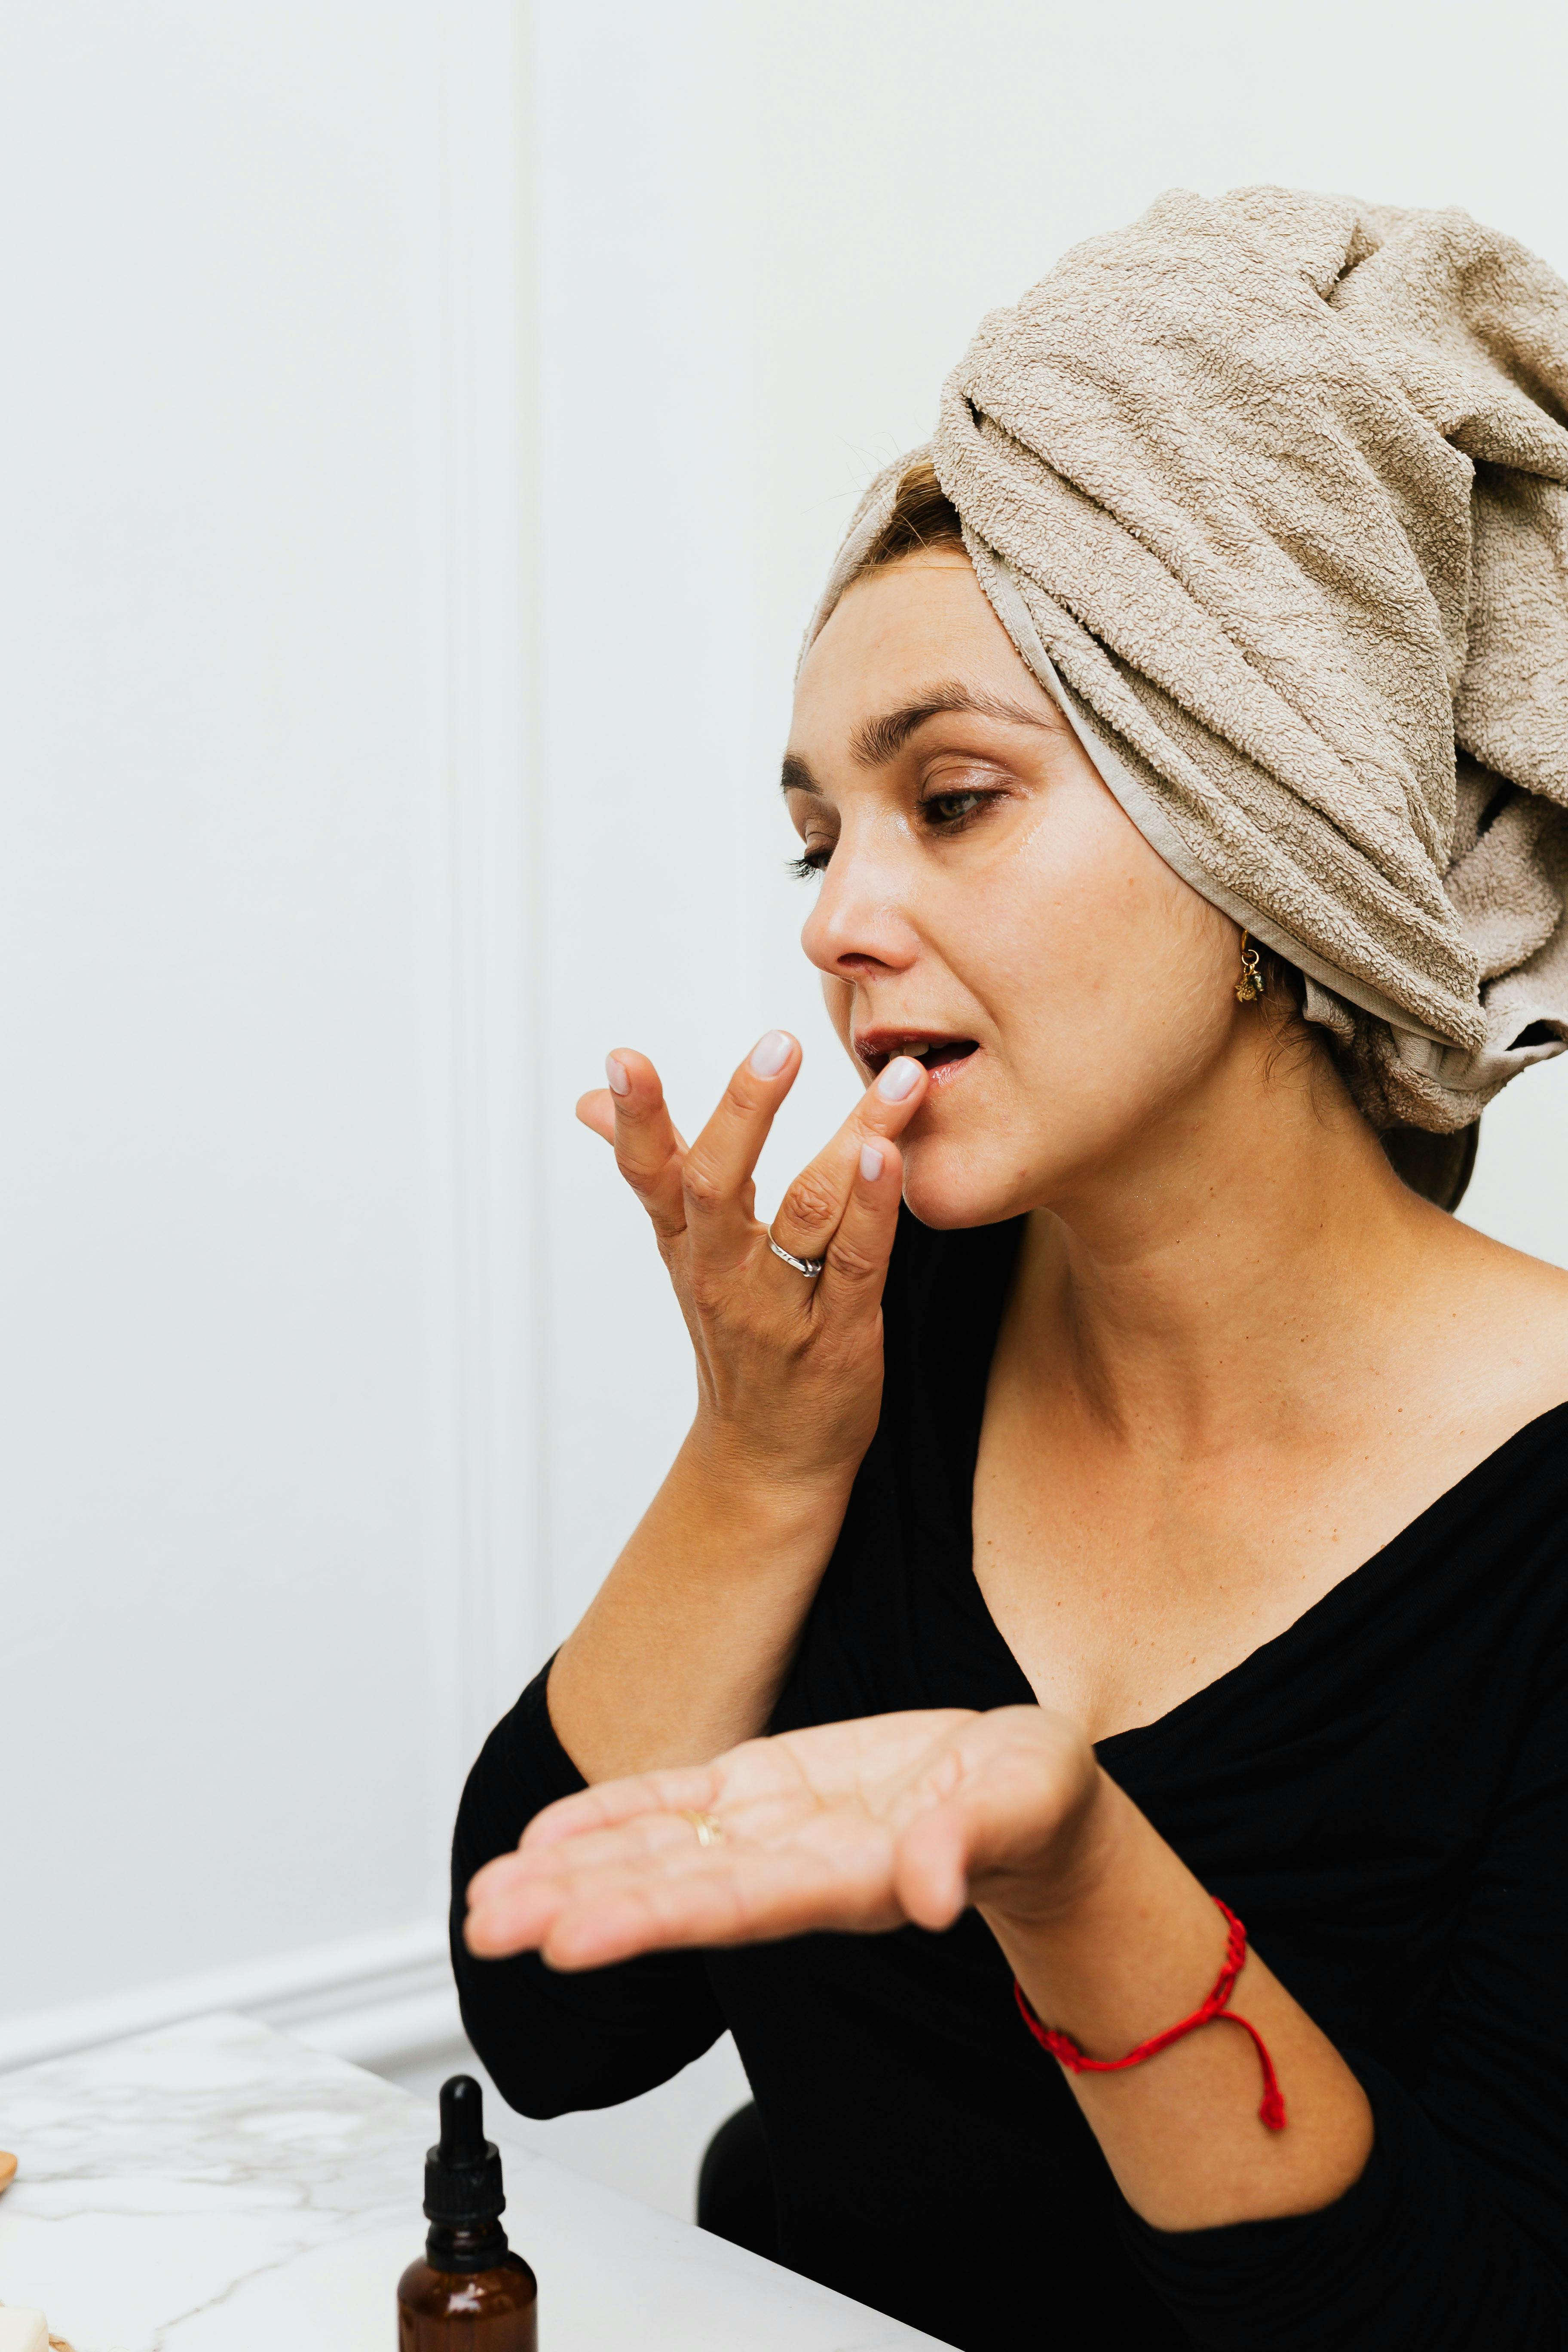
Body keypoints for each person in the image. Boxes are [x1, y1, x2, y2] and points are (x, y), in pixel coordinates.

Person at [450, 188, 1568, 2349]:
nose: (836, 914)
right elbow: (556, 2015)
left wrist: (1081, 1876)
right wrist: (765, 1457)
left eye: (950, 799)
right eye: (816, 832)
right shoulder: (898, 1339)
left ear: (1274, 839)